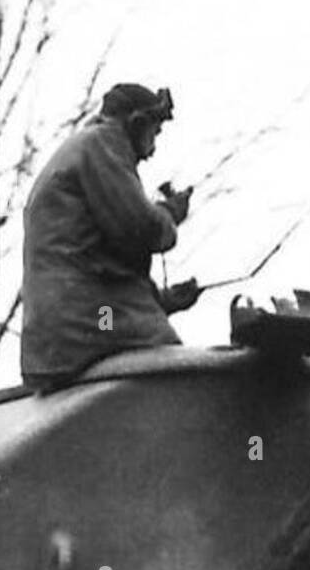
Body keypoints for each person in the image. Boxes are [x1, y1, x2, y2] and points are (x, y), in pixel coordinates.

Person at [20, 83, 202, 391]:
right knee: (180, 379)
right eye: (154, 134)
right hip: (85, 324)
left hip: (61, 332)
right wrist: (170, 215)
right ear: (137, 123)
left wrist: (163, 302)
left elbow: (98, 256)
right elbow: (142, 228)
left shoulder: (82, 148)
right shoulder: (103, 143)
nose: (152, 150)